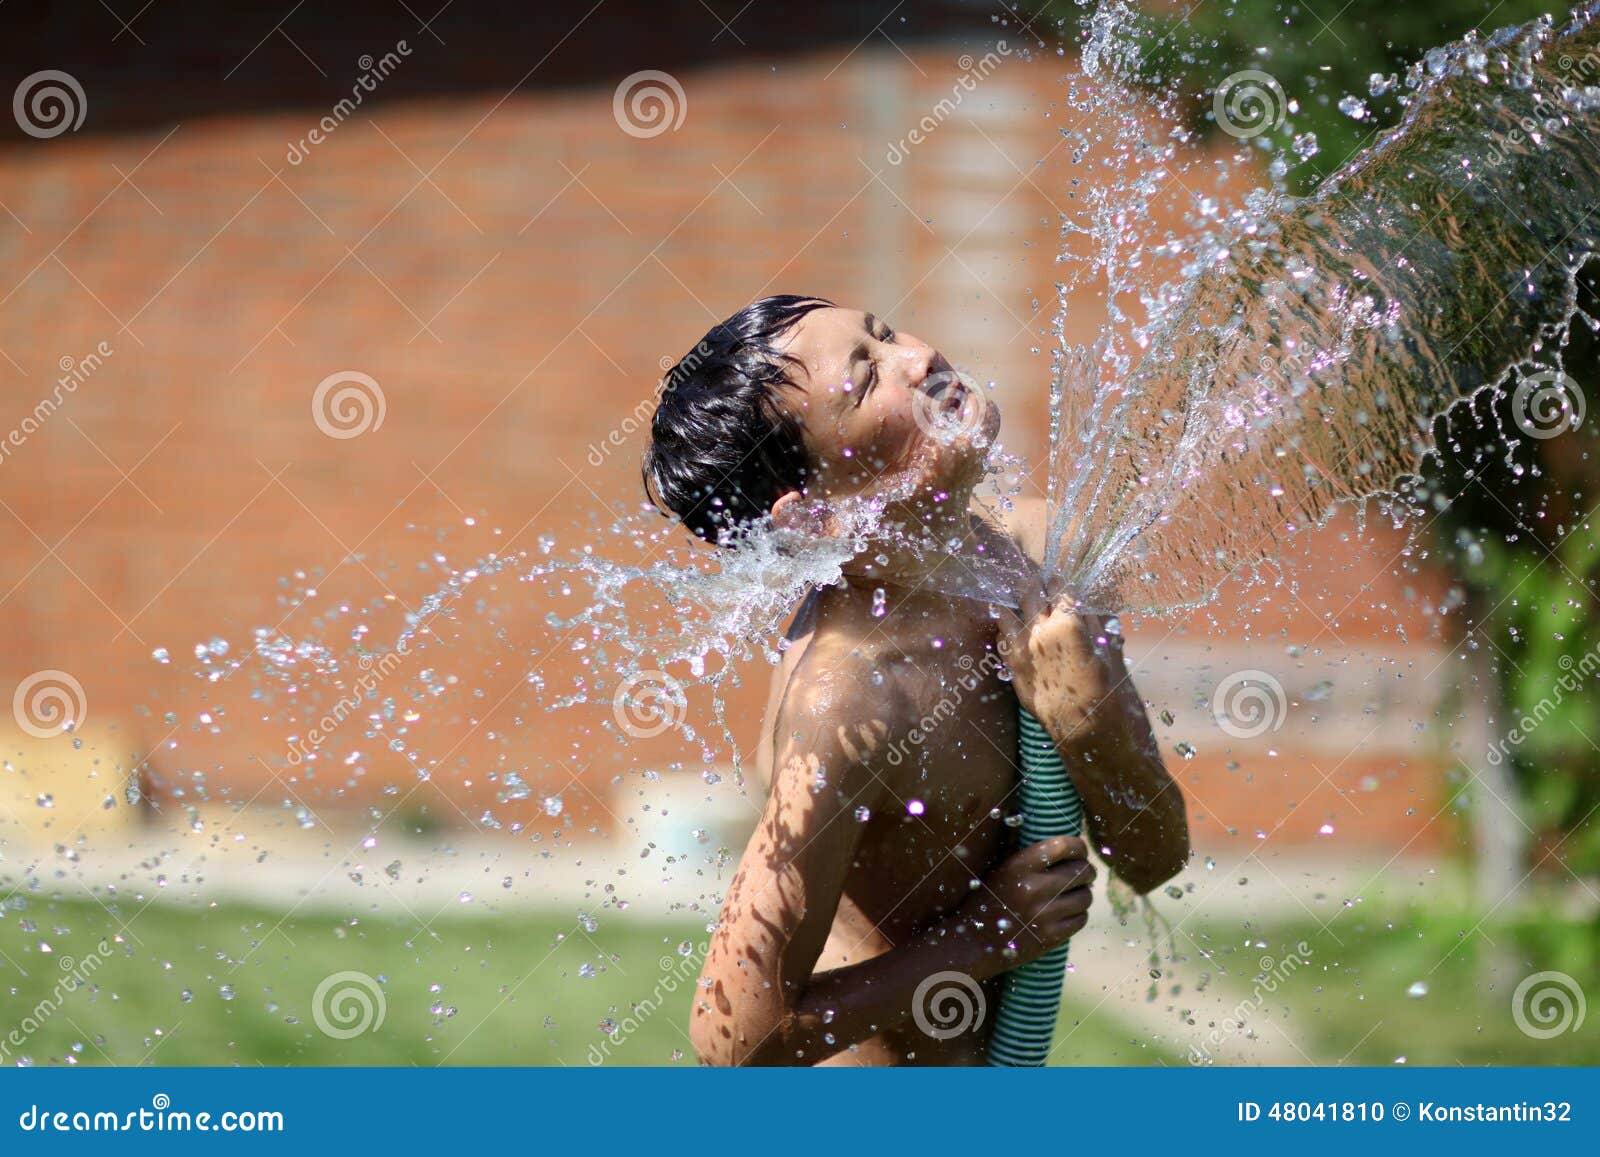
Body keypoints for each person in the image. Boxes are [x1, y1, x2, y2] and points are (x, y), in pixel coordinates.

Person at [643, 295, 1189, 1065]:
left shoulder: (1042, 547)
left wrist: (1086, 719)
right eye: (866, 380)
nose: (919, 355)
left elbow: (1155, 856)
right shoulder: (851, 698)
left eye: (885, 331)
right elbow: (734, 1039)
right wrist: (982, 938)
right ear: (815, 519)